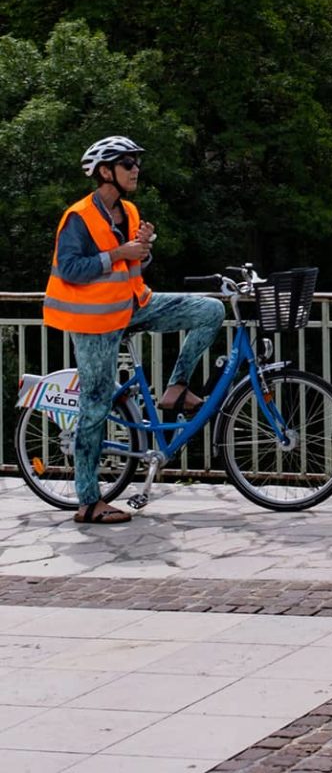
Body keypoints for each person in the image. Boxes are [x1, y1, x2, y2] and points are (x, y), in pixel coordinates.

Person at [44, 136, 225, 525]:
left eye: (136, 163)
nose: (136, 169)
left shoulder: (127, 211)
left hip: (133, 306)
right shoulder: (78, 216)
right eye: (128, 163)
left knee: (210, 310)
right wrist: (119, 253)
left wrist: (142, 250)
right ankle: (88, 503)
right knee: (96, 404)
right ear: (105, 171)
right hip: (94, 321)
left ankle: (177, 388)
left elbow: (132, 267)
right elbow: (70, 269)